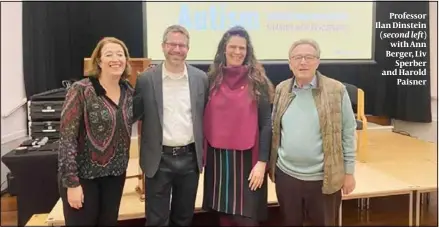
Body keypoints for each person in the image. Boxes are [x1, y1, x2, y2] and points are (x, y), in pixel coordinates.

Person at [268, 38, 357, 226]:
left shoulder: (336, 90)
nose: (303, 62)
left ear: (318, 61)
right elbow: (275, 129)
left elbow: (348, 132)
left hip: (323, 179)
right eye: (297, 57)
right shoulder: (281, 89)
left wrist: (348, 173)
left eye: (309, 57)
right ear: (289, 63)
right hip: (287, 177)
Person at [133, 25, 209, 226]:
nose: (177, 49)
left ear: (188, 49)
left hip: (190, 159)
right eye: (172, 44)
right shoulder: (146, 79)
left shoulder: (201, 79)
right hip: (159, 160)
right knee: (156, 220)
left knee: (184, 218)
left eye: (182, 45)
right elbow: (134, 114)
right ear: (163, 46)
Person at [202, 26, 274, 226]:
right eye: (232, 47)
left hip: (248, 161)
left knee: (246, 219)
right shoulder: (211, 80)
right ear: (223, 49)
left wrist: (262, 162)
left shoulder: (258, 81)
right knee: (224, 216)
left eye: (242, 48)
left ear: (247, 51)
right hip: (219, 161)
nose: (237, 52)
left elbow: (267, 124)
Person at [57, 37, 134, 226]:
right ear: (99, 61)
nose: (116, 59)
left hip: (115, 177)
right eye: (109, 54)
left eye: (120, 54)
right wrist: (72, 183)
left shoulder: (128, 91)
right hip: (84, 178)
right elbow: (67, 139)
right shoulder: (81, 90)